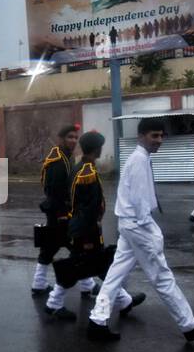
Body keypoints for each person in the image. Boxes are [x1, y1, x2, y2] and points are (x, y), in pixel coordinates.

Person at [88, 117, 194, 343]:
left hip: (130, 225)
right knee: (162, 277)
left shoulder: (140, 158)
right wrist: (152, 233)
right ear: (141, 136)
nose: (159, 140)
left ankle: (97, 320)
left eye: (161, 135)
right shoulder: (139, 160)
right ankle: (189, 326)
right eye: (154, 136)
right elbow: (139, 203)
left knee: (114, 275)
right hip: (138, 225)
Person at [44, 131, 139, 321]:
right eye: (100, 146)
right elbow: (88, 207)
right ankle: (54, 303)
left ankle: (123, 300)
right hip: (85, 228)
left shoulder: (81, 167)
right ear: (97, 149)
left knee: (90, 265)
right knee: (83, 266)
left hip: (82, 226)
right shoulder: (86, 172)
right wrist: (90, 229)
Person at [31, 125, 83, 295]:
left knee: (50, 247)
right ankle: (86, 285)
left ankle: (39, 284)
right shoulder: (59, 160)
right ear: (61, 139)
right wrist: (63, 214)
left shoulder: (64, 156)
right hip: (60, 212)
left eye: (76, 137)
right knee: (78, 248)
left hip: (58, 210)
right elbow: (54, 189)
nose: (74, 140)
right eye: (70, 137)